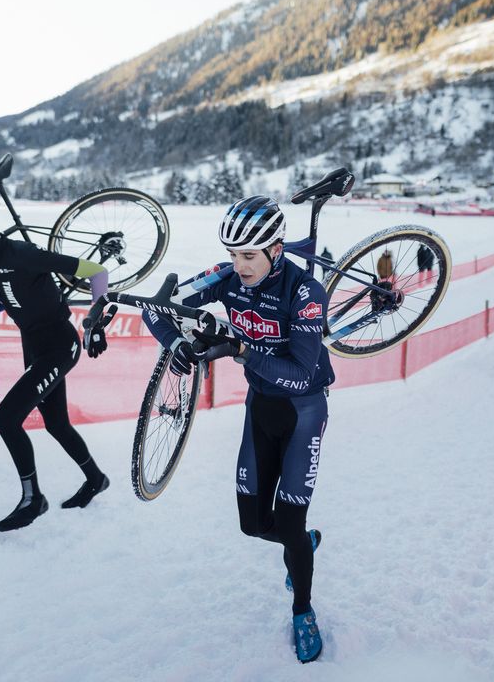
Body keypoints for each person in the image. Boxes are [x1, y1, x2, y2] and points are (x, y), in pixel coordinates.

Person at [142, 195, 335, 664]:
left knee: (288, 522)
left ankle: (303, 609)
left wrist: (240, 351)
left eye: (248, 255)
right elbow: (156, 307)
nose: (239, 265)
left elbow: (298, 373)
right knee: (252, 525)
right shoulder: (226, 276)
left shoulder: (304, 292)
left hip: (303, 411)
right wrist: (178, 347)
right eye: (232, 254)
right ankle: (302, 544)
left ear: (276, 248)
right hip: (259, 408)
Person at [0, 196, 112, 532]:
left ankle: (33, 500)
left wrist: (97, 320)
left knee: (7, 418)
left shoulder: (21, 254)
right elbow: (1, 303)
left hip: (60, 345)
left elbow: (96, 271)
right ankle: (96, 479)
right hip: (33, 346)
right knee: (56, 424)